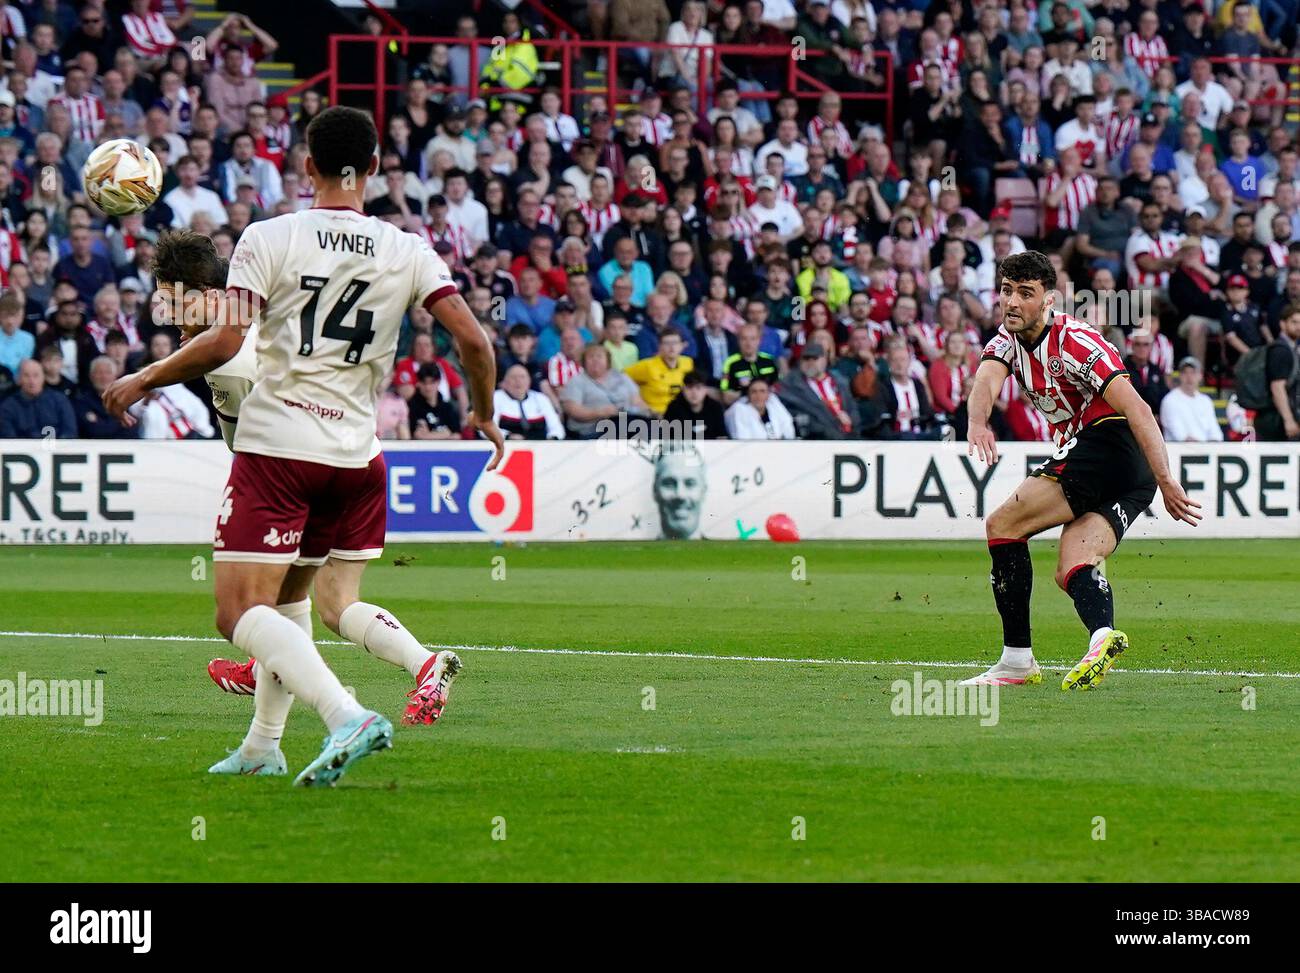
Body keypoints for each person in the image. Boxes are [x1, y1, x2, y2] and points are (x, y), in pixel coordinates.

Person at [103, 107, 503, 786]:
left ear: (306, 167)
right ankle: (264, 743)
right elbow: (474, 340)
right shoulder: (408, 248)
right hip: (355, 457)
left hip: (280, 450)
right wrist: (485, 414)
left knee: (238, 611)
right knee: (292, 601)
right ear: (375, 168)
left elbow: (227, 340)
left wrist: (141, 378)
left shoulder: (270, 236)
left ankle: (346, 714)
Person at [962, 251, 1201, 691]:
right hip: (1132, 477)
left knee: (1003, 525)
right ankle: (1102, 637)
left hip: (1109, 444)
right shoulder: (1005, 341)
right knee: (1072, 563)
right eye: (1006, 291)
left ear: (1048, 300)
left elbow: (1139, 409)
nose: (1012, 302)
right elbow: (985, 383)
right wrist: (977, 422)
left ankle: (1016, 661)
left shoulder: (1076, 342)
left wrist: (1168, 479)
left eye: (1025, 293)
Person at [0, 357, 76, 438]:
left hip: (57, 449)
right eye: (26, 375)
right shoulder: (8, 407)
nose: (32, 381)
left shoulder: (60, 401)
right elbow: (9, 439)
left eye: (36, 375)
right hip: (22, 449)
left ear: (43, 377)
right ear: (19, 379)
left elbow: (69, 432)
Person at [1160, 357, 1223, 443]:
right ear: (1180, 376)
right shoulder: (1170, 400)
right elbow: (1179, 435)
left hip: (1206, 450)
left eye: (1193, 372)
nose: (1189, 377)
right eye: (1185, 372)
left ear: (1200, 376)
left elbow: (1215, 433)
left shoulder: (1206, 401)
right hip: (1178, 452)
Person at [663, 369, 727, 439]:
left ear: (705, 390)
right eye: (689, 388)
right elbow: (665, 438)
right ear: (683, 389)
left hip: (710, 448)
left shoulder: (715, 408)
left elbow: (722, 437)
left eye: (698, 388)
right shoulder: (673, 408)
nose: (694, 392)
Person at [724, 376, 795, 439]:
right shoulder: (739, 410)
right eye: (754, 391)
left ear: (768, 394)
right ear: (748, 395)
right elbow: (741, 439)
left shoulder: (774, 406)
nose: (758, 395)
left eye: (762, 391)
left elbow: (788, 431)